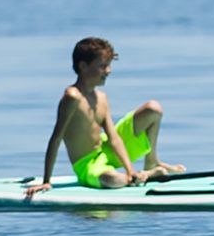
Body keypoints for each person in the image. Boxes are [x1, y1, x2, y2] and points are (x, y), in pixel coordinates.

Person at [25, 36, 182, 195]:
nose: (108, 71)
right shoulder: (72, 97)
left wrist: (130, 170)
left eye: (109, 65)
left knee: (153, 109)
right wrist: (46, 181)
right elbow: (56, 138)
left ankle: (151, 163)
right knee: (112, 179)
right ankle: (147, 175)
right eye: (102, 66)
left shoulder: (102, 98)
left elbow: (114, 138)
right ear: (83, 66)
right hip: (88, 164)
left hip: (107, 150)